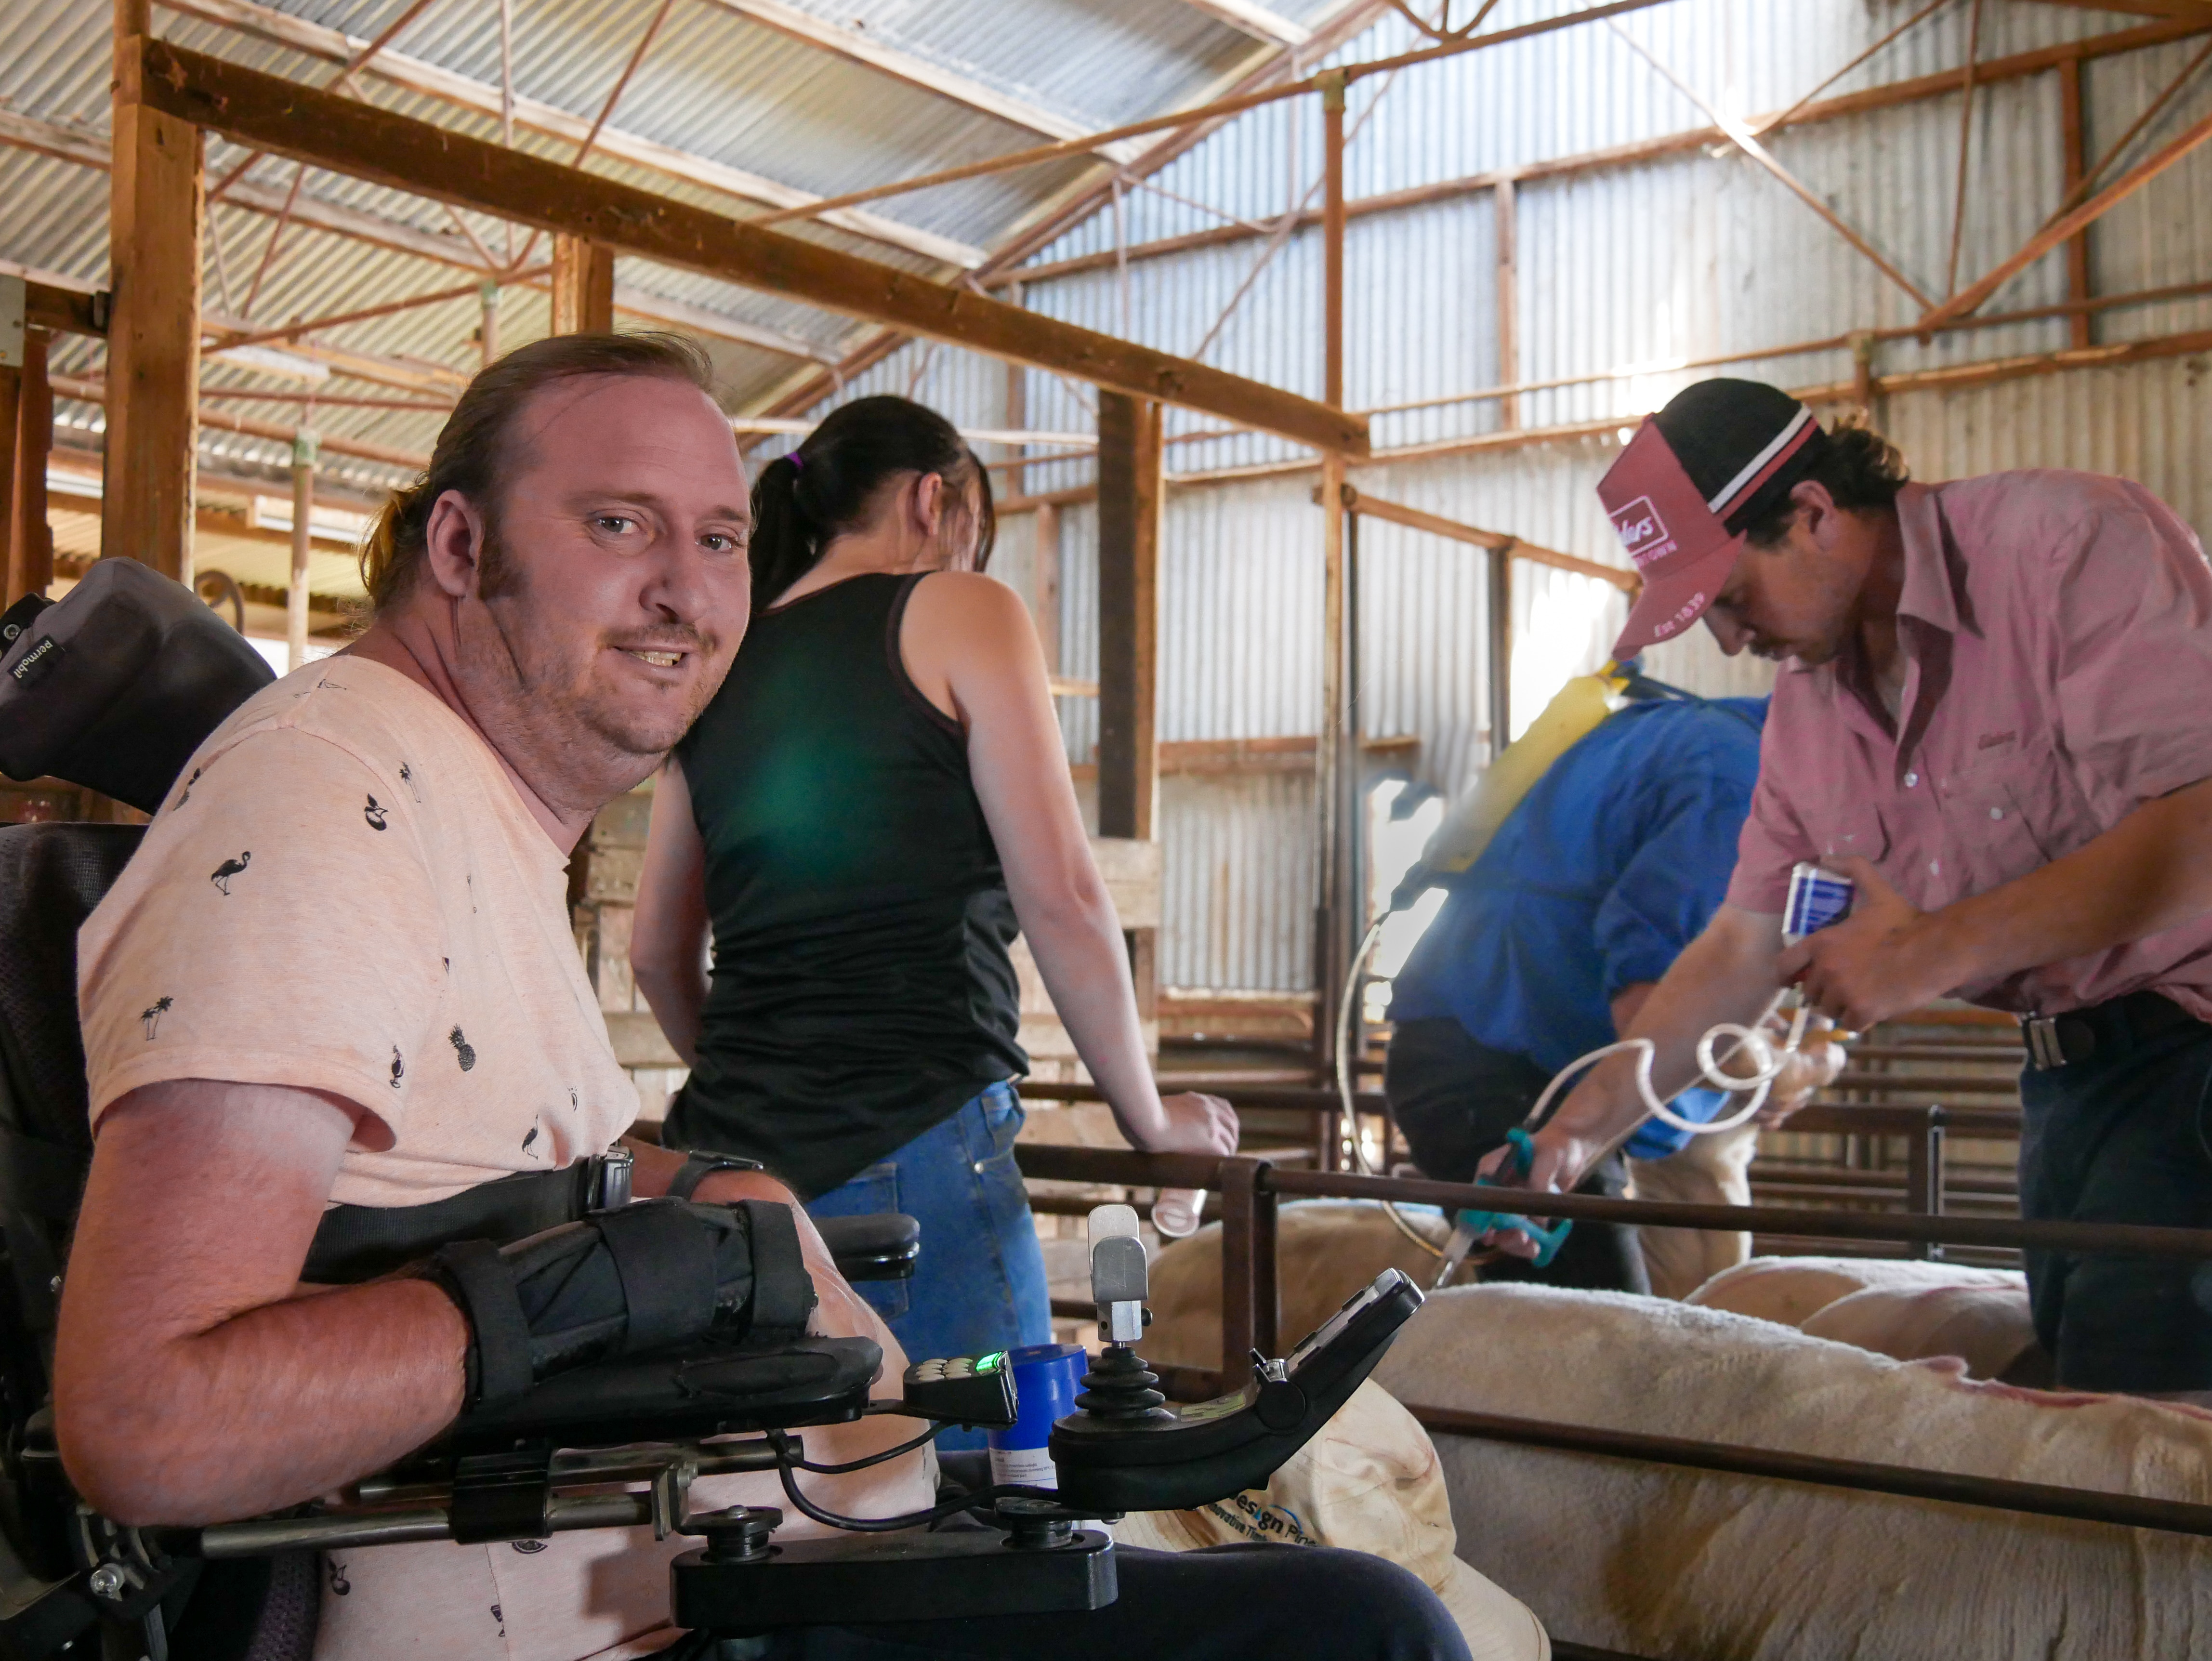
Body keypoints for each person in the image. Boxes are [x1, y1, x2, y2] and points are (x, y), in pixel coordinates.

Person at [54, 335, 1468, 1661]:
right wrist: (609, 1283)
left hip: (758, 1530)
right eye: (617, 525)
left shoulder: (484, 805)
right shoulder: (329, 794)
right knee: (1358, 1630)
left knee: (1334, 1603)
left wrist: (718, 1187)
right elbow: (147, 1418)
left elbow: (542, 1122)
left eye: (718, 538)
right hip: (662, 1608)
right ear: (460, 543)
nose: (686, 587)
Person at [1481, 376, 2212, 1396]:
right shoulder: (1808, 715)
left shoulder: (2063, 546)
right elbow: (1742, 944)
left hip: (2193, 1044)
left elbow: (2200, 818)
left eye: (1733, 598)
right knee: (2098, 1402)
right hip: (2071, 1080)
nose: (1729, 643)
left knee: (2137, 1427)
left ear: (1813, 512)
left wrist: (1934, 948)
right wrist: (1576, 1133)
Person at [629, 395, 1238, 1419]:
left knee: (786, 1505)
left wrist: (774, 1077)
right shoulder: (960, 608)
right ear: (932, 497)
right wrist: (1150, 1117)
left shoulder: (723, 664)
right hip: (914, 1153)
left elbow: (654, 949)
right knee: (987, 1502)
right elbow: (1065, 894)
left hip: (724, 1167)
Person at [1386, 685, 1838, 1299]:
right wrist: (1783, 1070)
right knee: (1598, 1352)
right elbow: (1653, 1006)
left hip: (1508, 1064)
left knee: (1596, 1329)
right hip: (1506, 1081)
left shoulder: (1677, 731)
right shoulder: (1736, 780)